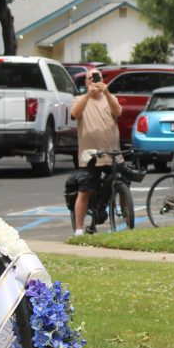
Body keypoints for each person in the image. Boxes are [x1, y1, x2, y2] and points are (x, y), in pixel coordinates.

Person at [70, 68, 121, 236]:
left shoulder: (110, 98)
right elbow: (74, 113)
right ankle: (78, 229)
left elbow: (118, 112)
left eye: (96, 78)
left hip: (112, 153)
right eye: (90, 78)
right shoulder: (79, 99)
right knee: (84, 190)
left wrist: (106, 93)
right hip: (89, 156)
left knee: (122, 183)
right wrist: (88, 95)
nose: (93, 81)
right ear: (86, 82)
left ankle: (126, 220)